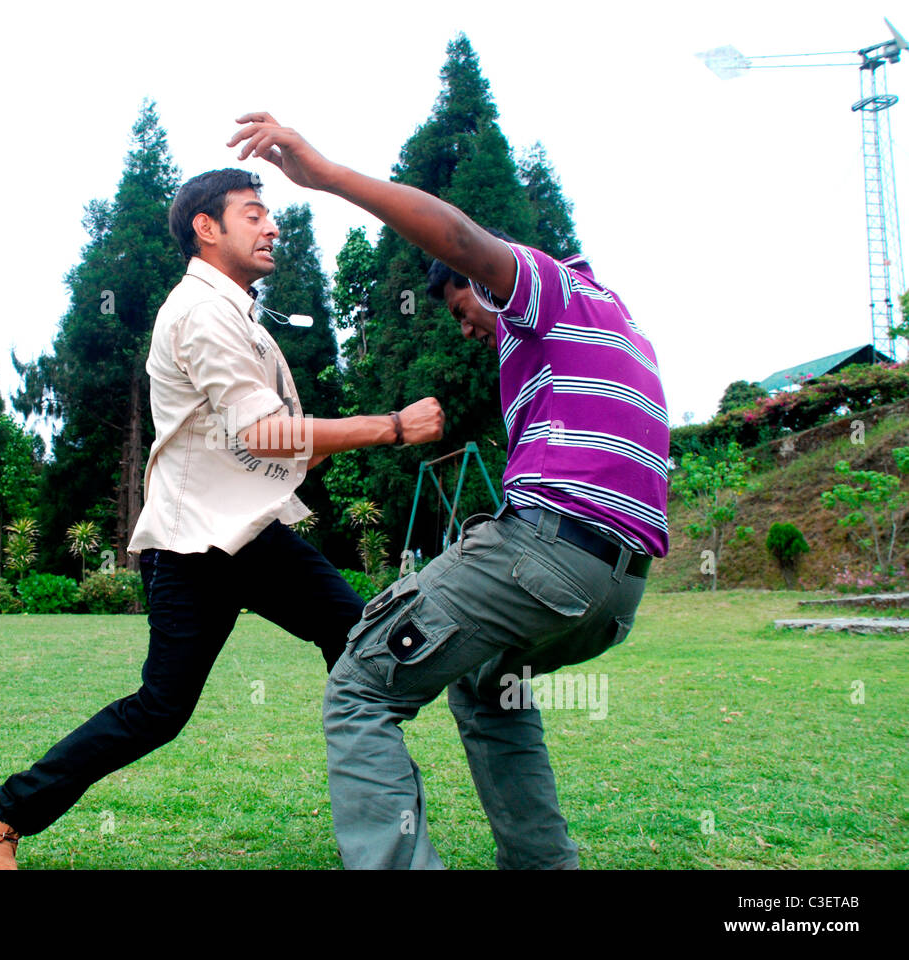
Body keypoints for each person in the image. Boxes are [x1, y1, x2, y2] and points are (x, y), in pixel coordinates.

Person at [0, 168, 446, 870]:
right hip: (192, 546)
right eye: (253, 214)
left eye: (269, 214)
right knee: (162, 709)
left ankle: (383, 832)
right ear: (206, 229)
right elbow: (265, 434)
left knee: (358, 640)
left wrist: (315, 448)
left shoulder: (244, 318)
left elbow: (283, 446)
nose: (271, 226)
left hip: (249, 535)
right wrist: (390, 427)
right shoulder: (201, 311)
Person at [228, 113, 670, 869]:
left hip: (550, 551)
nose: (466, 328)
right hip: (617, 591)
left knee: (360, 684)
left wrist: (327, 176)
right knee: (487, 685)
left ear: (488, 287)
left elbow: (460, 241)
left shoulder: (550, 294)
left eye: (463, 309)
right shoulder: (620, 325)